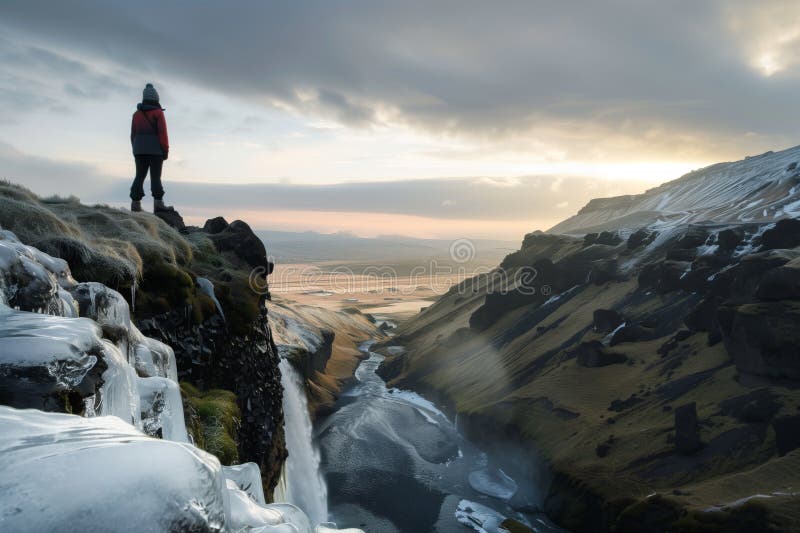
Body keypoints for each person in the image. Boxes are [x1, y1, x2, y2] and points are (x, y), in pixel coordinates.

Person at [130, 83, 172, 212]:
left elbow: (133, 135)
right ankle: (158, 205)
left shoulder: (136, 114)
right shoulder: (158, 113)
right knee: (155, 177)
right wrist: (165, 150)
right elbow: (163, 133)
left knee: (139, 176)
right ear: (156, 98)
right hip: (155, 151)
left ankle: (135, 205)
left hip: (139, 151)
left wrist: (135, 149)